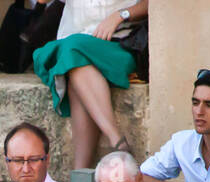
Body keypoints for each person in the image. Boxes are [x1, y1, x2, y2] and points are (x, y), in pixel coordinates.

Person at [31, 0, 149, 170]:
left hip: (118, 45)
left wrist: (120, 15)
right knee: (74, 64)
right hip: (72, 47)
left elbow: (153, 4)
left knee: (72, 55)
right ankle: (94, 163)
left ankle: (111, 144)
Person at [4, 121, 77, 182]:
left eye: (34, 160)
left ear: (47, 160)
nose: (26, 169)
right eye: (17, 160)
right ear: (6, 162)